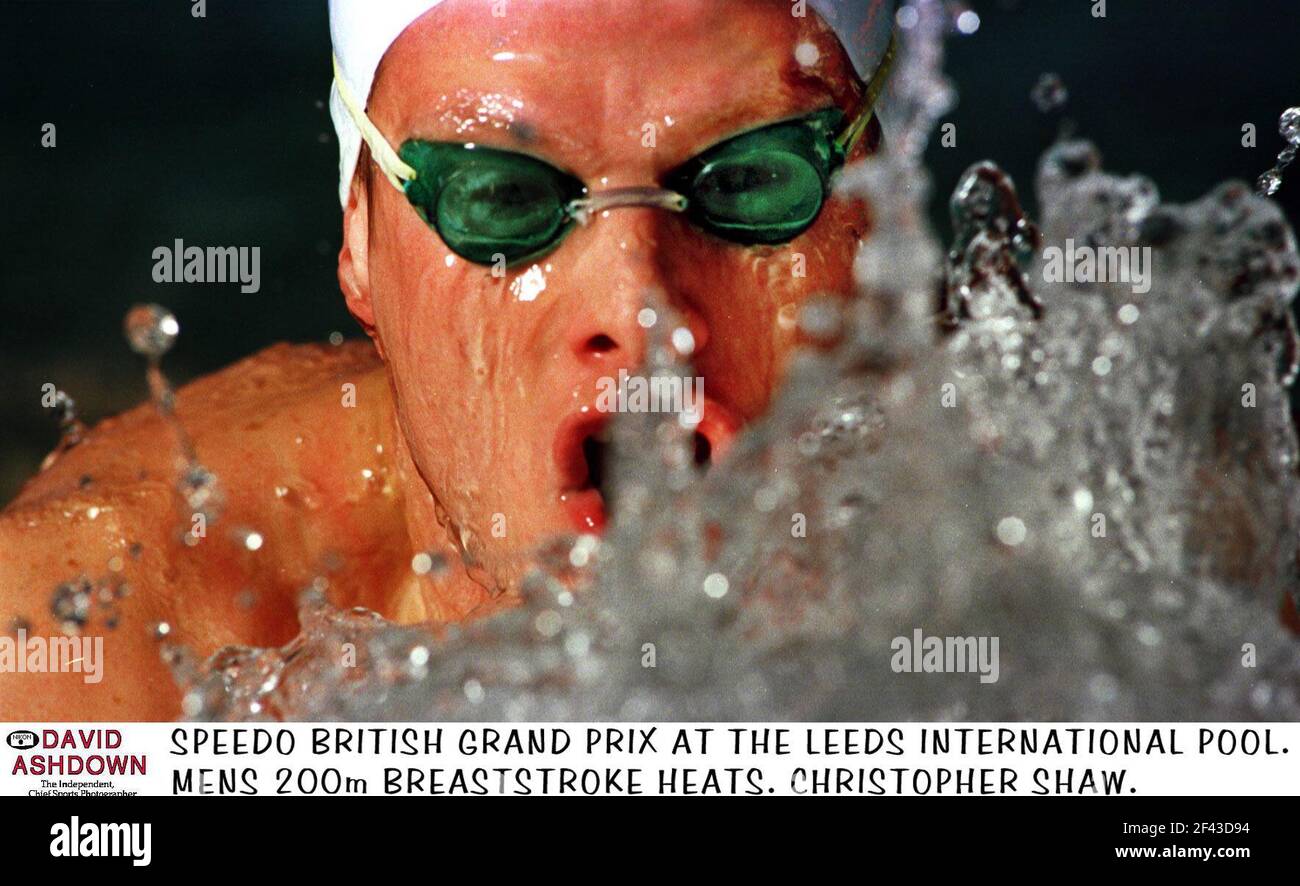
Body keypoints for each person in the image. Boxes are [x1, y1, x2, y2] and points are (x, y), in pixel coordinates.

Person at [0, 0, 897, 719]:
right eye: (503, 195)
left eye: (749, 181)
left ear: (887, 209)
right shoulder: (94, 662)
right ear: (358, 238)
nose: (640, 310)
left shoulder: (1018, 524)